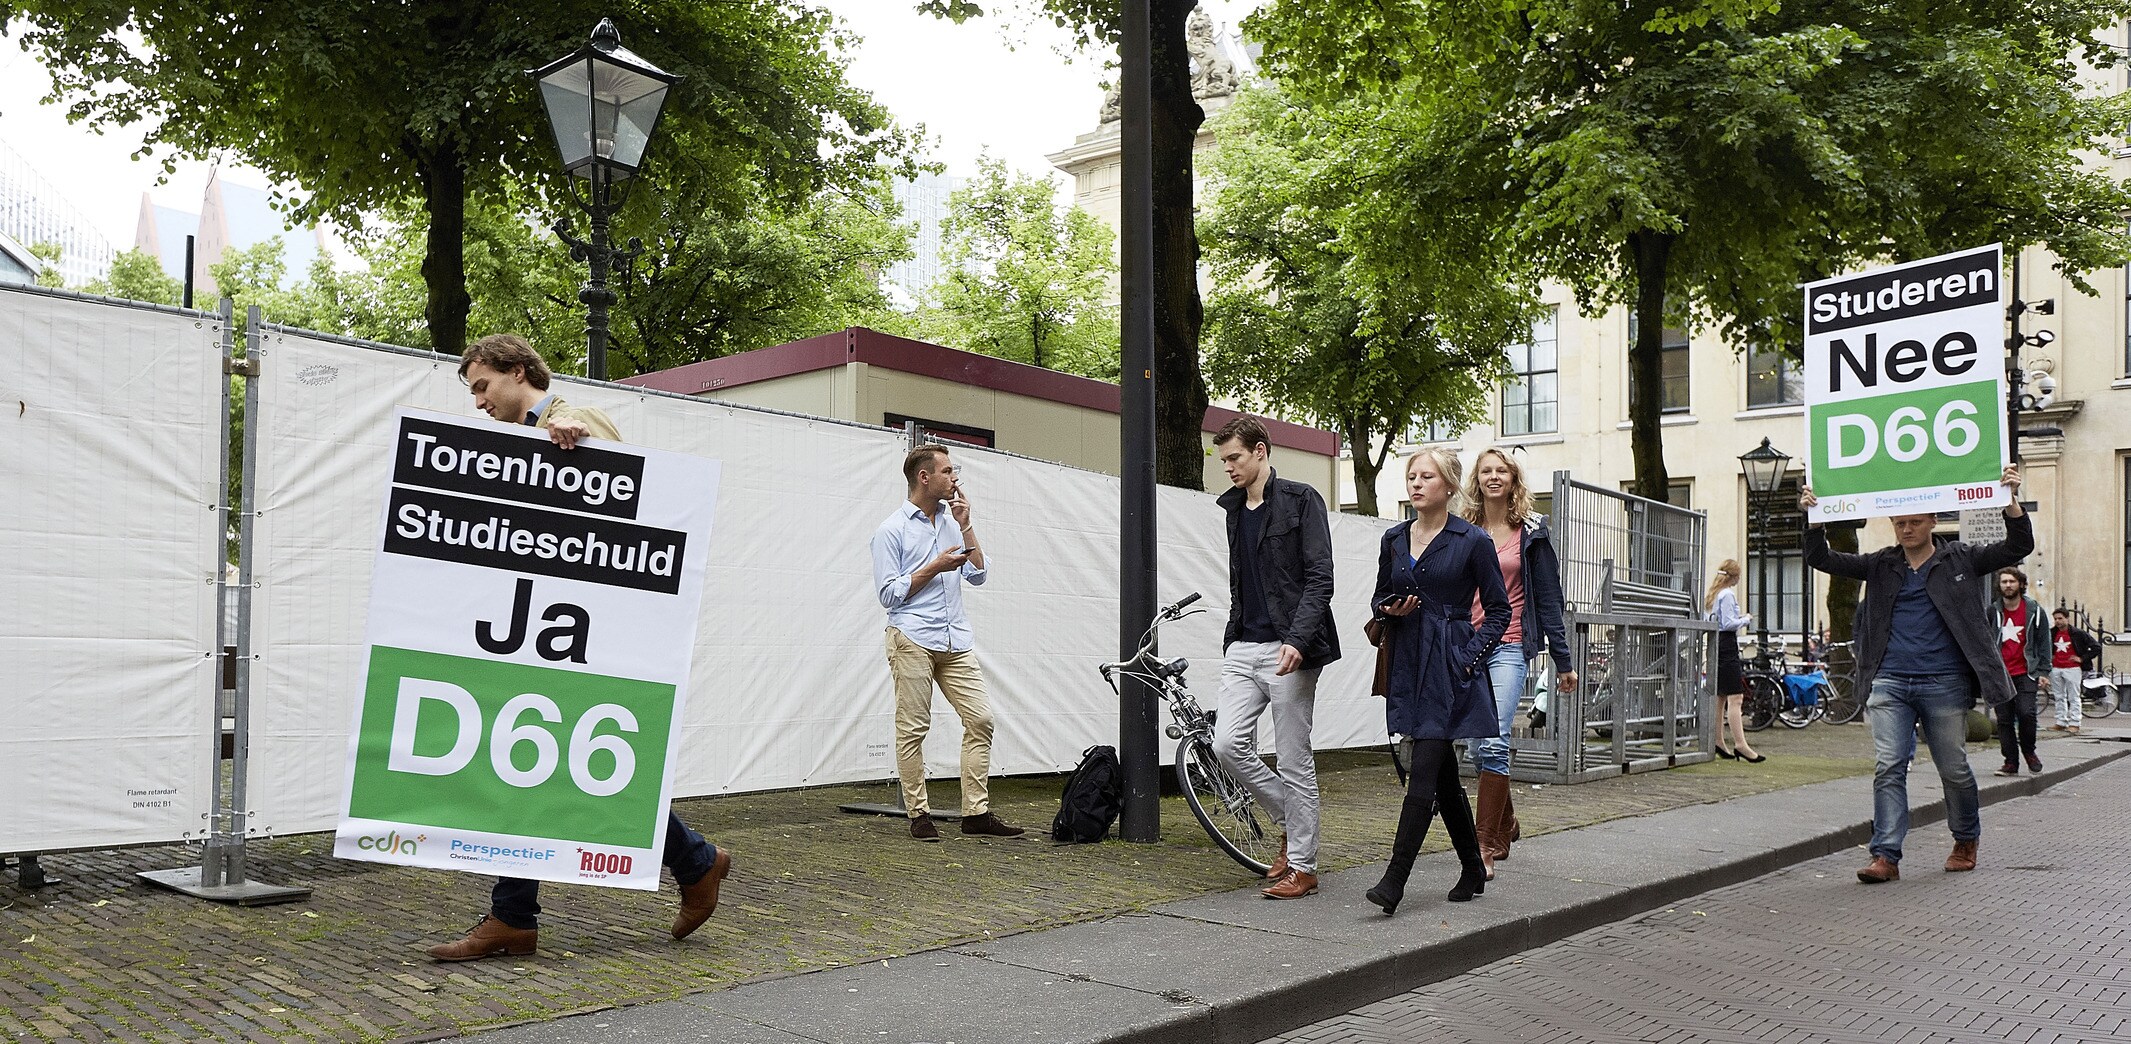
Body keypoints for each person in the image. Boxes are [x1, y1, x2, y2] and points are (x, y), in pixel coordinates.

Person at [429, 333, 732, 961]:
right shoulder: (516, 442)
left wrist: (578, 438)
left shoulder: (574, 420)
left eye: (483, 386)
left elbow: (630, 500)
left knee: (549, 764)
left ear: (518, 371)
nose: (479, 402)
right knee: (539, 765)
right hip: (539, 625)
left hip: (573, 631)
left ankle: (523, 914)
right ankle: (688, 863)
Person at [1801, 465, 2030, 883]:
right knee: (1889, 765)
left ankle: (1965, 838)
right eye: (1900, 523)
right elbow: (1822, 558)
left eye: (1914, 522)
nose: (1906, 529)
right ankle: (1885, 855)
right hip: (1890, 681)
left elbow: (2018, 546)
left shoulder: (1961, 558)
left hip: (1944, 682)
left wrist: (2010, 500)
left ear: (1932, 521)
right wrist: (1815, 519)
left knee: (1953, 767)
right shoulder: (1881, 564)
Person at [1365, 448, 1510, 915]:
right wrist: (1388, 609)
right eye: (1412, 476)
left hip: (1448, 664)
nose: (1416, 483)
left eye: (1426, 476)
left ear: (1448, 485)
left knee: (1423, 767)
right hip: (1407, 659)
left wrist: (1467, 660)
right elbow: (1378, 598)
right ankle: (1472, 865)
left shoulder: (1472, 541)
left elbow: (1499, 611)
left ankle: (1395, 879)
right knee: (1442, 772)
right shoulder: (1393, 538)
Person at [1210, 416, 1340, 899]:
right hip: (1244, 645)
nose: (1228, 468)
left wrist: (1299, 640)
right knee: (1226, 744)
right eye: (1224, 460)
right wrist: (1232, 638)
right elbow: (1241, 579)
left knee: (1293, 758)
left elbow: (1320, 577)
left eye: (1235, 458)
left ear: (1261, 451)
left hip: (1291, 647)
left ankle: (1303, 866)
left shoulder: (1302, 500)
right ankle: (1291, 819)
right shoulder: (1233, 510)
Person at [871, 443, 1025, 841]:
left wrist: (967, 524)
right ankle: (919, 814)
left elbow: (978, 575)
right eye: (947, 471)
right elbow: (888, 594)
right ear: (924, 477)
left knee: (981, 720)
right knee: (913, 728)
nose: (954, 479)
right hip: (912, 637)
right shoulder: (892, 530)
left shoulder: (952, 521)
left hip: (955, 639)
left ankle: (976, 814)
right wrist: (935, 566)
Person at [1459, 448, 1575, 875]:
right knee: (1475, 746)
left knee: (1494, 739)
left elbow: (1549, 599)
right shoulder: (1463, 529)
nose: (1493, 477)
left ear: (1512, 480)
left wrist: (1563, 660)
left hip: (1508, 645)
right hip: (1468, 646)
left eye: (1501, 471)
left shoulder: (1532, 532)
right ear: (1477, 479)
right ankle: (1506, 821)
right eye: (1486, 471)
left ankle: (1484, 845)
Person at [1704, 560, 1764, 763]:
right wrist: (1746, 619)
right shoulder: (1727, 594)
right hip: (1727, 645)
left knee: (1720, 696)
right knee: (1735, 697)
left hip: (1715, 643)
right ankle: (1740, 744)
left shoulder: (1714, 594)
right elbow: (1729, 623)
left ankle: (1718, 741)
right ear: (1734, 577)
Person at [1993, 569, 2048, 776]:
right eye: (2004, 582)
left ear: (2021, 584)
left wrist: (2044, 671)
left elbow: (2044, 642)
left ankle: (2029, 751)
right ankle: (2010, 762)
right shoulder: (1993, 612)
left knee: (2026, 713)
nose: (2008, 585)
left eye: (2012, 581)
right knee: (2004, 719)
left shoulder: (2034, 611)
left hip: (2026, 672)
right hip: (2001, 674)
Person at [2048, 608, 2100, 735]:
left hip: (2072, 668)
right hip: (2056, 667)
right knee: (2058, 696)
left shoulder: (2078, 633)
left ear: (2067, 618)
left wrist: (2082, 658)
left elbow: (2096, 647)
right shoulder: (2051, 633)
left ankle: (2075, 723)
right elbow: (2044, 647)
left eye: (2060, 618)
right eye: (2055, 619)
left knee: (2074, 696)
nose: (2057, 621)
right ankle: (2061, 721)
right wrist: (2050, 656)